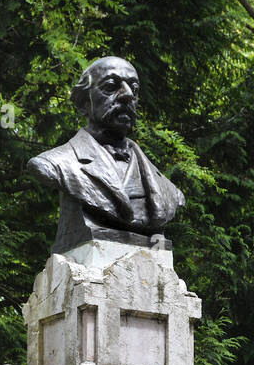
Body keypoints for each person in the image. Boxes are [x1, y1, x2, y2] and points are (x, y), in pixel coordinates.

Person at [26, 56, 185, 254]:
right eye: (111, 86)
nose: (127, 95)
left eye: (134, 89)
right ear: (85, 103)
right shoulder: (56, 163)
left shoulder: (168, 189)